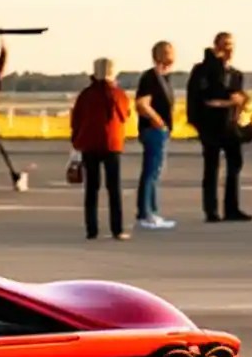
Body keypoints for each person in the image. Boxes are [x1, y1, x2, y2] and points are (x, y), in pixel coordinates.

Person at [187, 32, 252, 222]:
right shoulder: (203, 70)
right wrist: (228, 102)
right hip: (211, 125)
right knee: (211, 167)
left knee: (235, 165)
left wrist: (240, 106)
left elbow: (238, 99)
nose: (228, 49)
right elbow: (205, 99)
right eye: (224, 45)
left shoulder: (235, 74)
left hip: (230, 125)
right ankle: (211, 210)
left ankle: (232, 208)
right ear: (217, 46)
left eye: (231, 45)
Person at [70, 57, 131, 241]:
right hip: (111, 144)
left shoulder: (86, 94)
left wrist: (76, 141)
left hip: (89, 144)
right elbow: (124, 115)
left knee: (91, 189)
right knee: (114, 188)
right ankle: (117, 229)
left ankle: (92, 229)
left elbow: (76, 119)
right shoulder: (117, 94)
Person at [133, 41, 176, 230]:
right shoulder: (151, 77)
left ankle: (151, 211)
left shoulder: (164, 77)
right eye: (167, 52)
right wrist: (157, 119)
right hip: (153, 131)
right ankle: (146, 213)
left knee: (155, 171)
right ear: (157, 55)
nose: (171, 55)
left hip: (161, 131)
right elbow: (141, 103)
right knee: (151, 171)